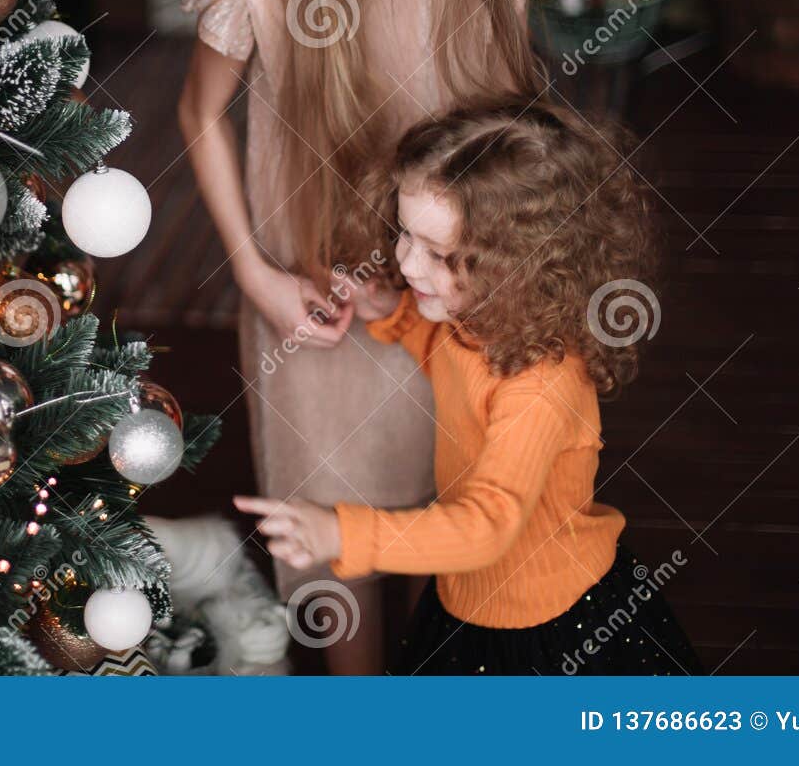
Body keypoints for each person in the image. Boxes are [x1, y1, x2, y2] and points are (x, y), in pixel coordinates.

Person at [177, 0, 546, 673]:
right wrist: (254, 273)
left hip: (464, 291)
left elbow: (513, 126)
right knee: (339, 519)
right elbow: (198, 115)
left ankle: (436, 676)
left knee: (453, 501)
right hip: (319, 298)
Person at [236, 101, 704, 675]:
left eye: (438, 253)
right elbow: (450, 363)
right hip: (467, 597)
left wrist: (342, 532)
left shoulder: (541, 382)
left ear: (515, 265)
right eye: (405, 234)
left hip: (551, 628)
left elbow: (487, 526)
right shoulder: (477, 322)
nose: (406, 262)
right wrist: (396, 315)